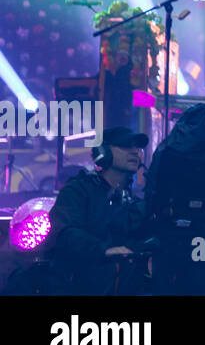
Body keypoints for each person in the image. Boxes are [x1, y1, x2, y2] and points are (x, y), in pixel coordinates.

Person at [47, 126, 153, 294]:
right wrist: (103, 250)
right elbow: (64, 233)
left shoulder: (135, 202)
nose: (135, 152)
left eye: (137, 147)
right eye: (126, 146)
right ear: (102, 152)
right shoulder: (78, 191)